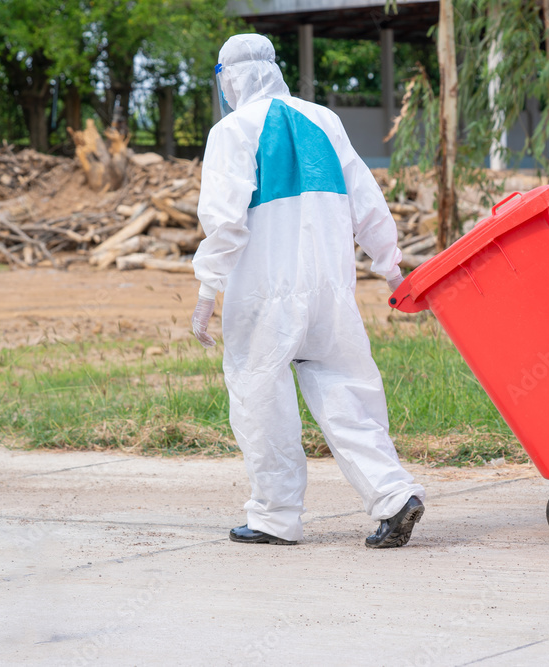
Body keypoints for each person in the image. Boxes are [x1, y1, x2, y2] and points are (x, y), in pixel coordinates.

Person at [191, 33, 425, 549]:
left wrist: (207, 290)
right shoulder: (325, 120)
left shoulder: (231, 132)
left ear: (228, 77)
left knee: (260, 398)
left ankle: (274, 517)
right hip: (330, 292)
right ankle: (392, 495)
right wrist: (391, 267)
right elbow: (366, 199)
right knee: (347, 392)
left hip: (264, 294)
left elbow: (226, 222)